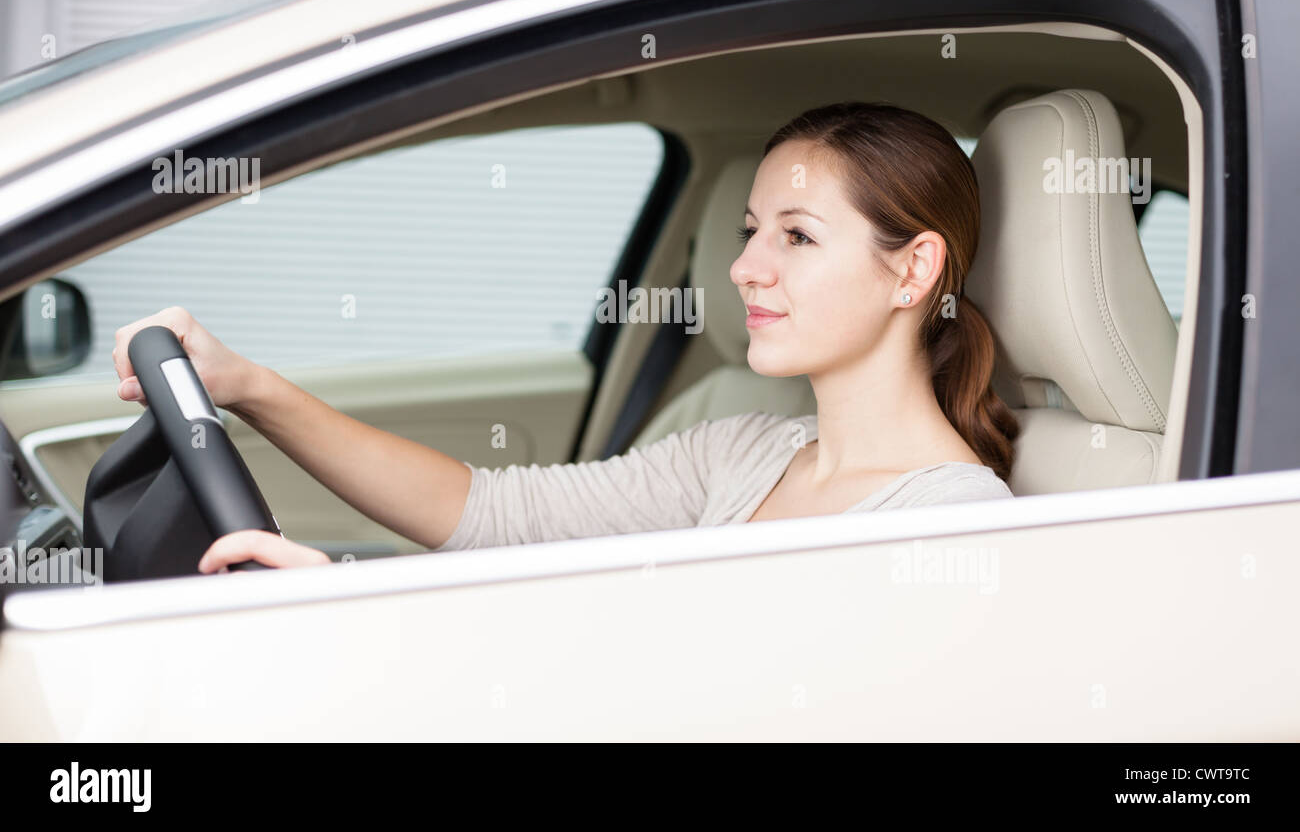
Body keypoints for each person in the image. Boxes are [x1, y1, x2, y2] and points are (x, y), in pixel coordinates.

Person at [112, 101, 1018, 573]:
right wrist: (250, 386)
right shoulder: (748, 452)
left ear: (913, 270)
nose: (745, 267)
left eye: (797, 235)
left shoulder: (950, 526)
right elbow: (496, 515)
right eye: (749, 231)